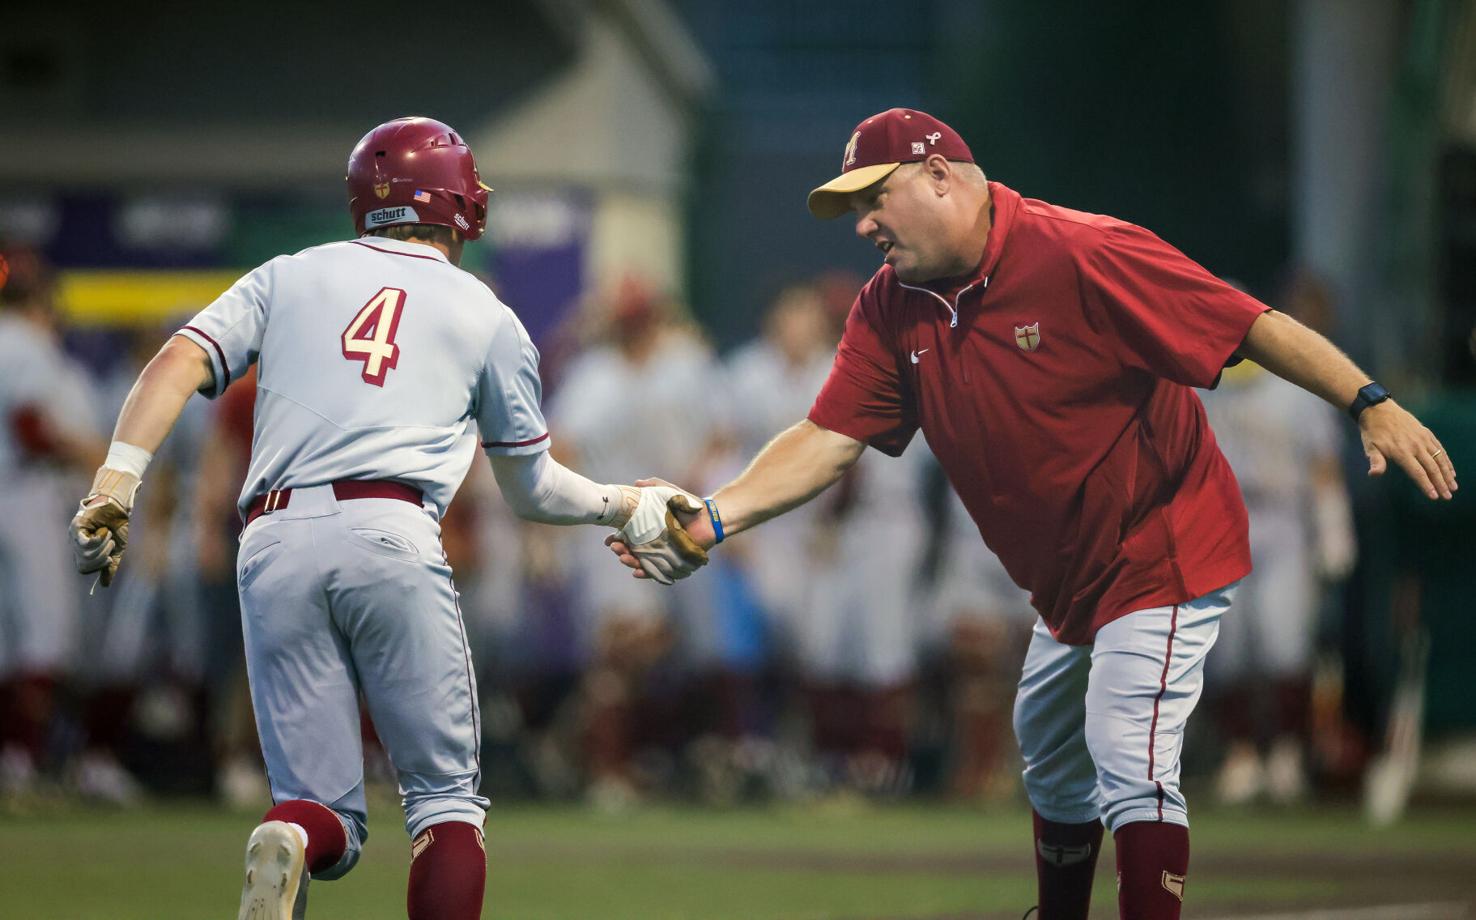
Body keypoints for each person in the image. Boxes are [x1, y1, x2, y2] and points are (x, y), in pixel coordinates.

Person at [609, 107, 1457, 920]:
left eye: (875, 198)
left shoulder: (1082, 250)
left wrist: (1369, 400)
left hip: (1162, 545)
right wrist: (712, 519)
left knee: (1129, 754)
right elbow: (830, 436)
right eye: (854, 208)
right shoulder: (888, 302)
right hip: (1066, 577)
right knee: (1050, 762)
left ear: (938, 175)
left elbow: (1250, 324)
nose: (864, 224)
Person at [67, 116, 704, 920]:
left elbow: (177, 359)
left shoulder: (290, 273)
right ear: (455, 205)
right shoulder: (486, 312)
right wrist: (629, 503)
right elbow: (531, 488)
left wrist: (115, 483)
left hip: (269, 539)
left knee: (318, 808)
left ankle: (295, 835)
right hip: (390, 528)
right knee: (444, 803)